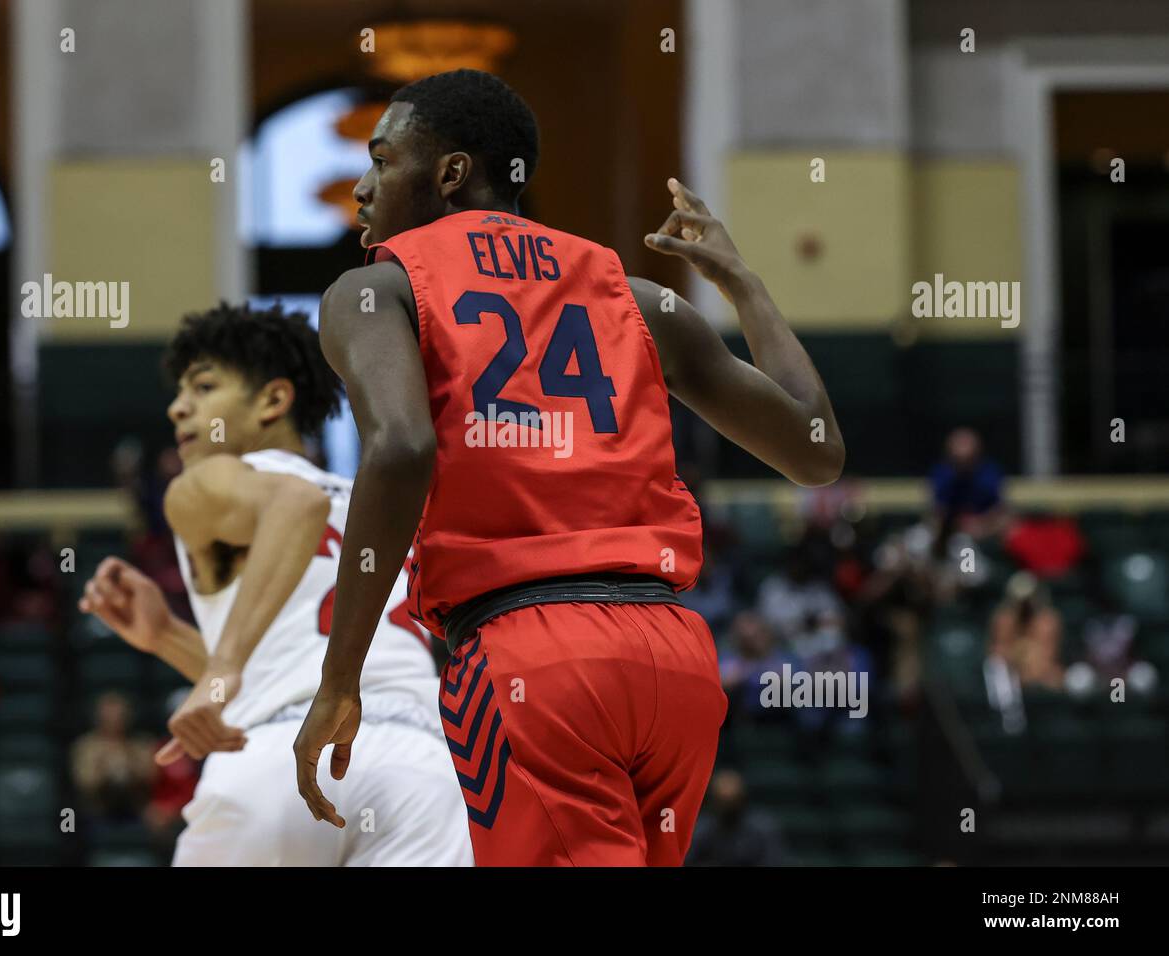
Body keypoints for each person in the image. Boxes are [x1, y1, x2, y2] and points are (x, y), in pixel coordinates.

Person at [293, 69, 844, 866]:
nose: (362, 187)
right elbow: (817, 450)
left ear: (450, 173)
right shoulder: (635, 293)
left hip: (531, 656)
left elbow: (403, 448)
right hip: (674, 659)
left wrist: (340, 676)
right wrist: (745, 287)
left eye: (381, 161)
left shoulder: (376, 288)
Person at [78, 303, 470, 866]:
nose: (178, 407)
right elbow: (291, 663)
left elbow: (296, 502)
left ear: (273, 400)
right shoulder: (375, 504)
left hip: (279, 760)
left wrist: (221, 665)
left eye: (204, 386)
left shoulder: (206, 481)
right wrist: (167, 635)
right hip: (418, 768)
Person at [70, 692, 155, 823]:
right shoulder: (86, 746)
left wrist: (129, 758)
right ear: (98, 717)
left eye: (119, 715)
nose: (114, 720)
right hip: (97, 809)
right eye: (108, 716)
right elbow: (85, 781)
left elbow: (151, 777)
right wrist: (103, 765)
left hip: (136, 808)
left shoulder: (142, 744)